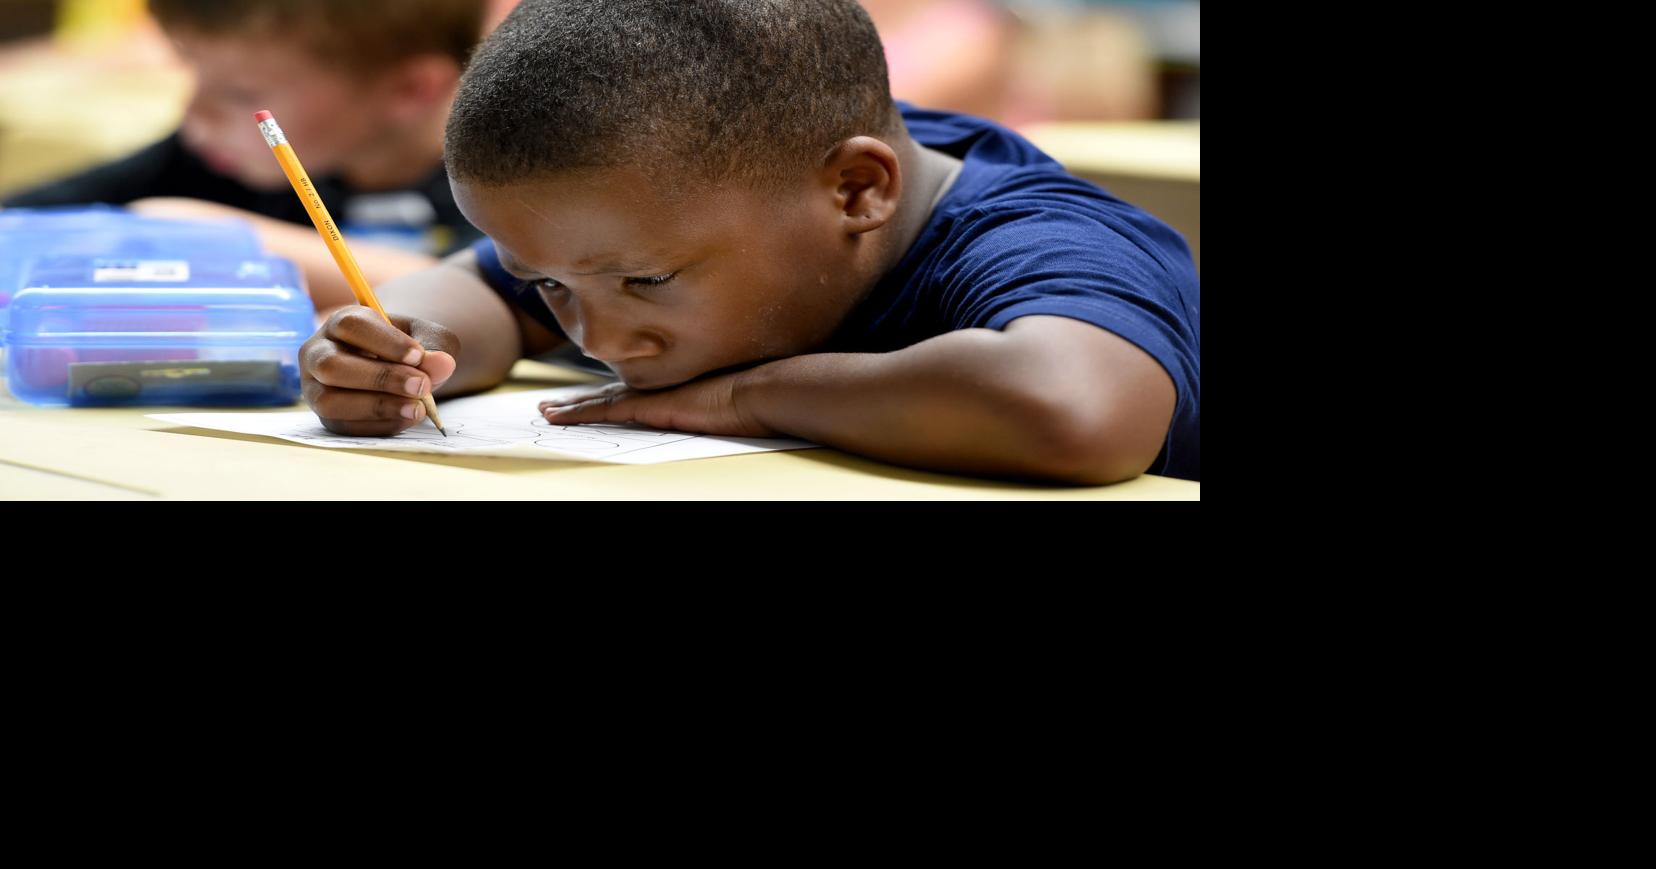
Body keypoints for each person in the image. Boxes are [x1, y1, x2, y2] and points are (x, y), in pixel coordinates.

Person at [298, 0, 1199, 484]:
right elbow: (480, 292)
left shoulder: (1043, 240)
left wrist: (740, 400)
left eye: (646, 281)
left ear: (857, 190)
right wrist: (406, 348)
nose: (599, 340)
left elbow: (1074, 413)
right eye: (553, 287)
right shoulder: (698, 191)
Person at [2, 0, 489, 313]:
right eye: (193, 75)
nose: (196, 113)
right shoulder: (210, 155)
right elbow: (23, 217)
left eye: (238, 93)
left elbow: (498, 295)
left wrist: (224, 241)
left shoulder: (502, 183)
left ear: (409, 89)